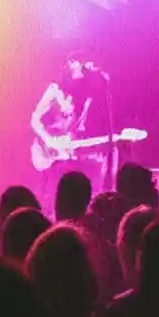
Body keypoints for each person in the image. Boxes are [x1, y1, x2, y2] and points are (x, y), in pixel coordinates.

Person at [30, 51, 109, 209]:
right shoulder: (55, 90)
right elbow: (34, 119)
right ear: (71, 63)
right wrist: (49, 140)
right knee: (57, 200)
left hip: (73, 153)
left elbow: (82, 128)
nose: (85, 66)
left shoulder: (90, 92)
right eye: (80, 61)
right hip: (55, 157)